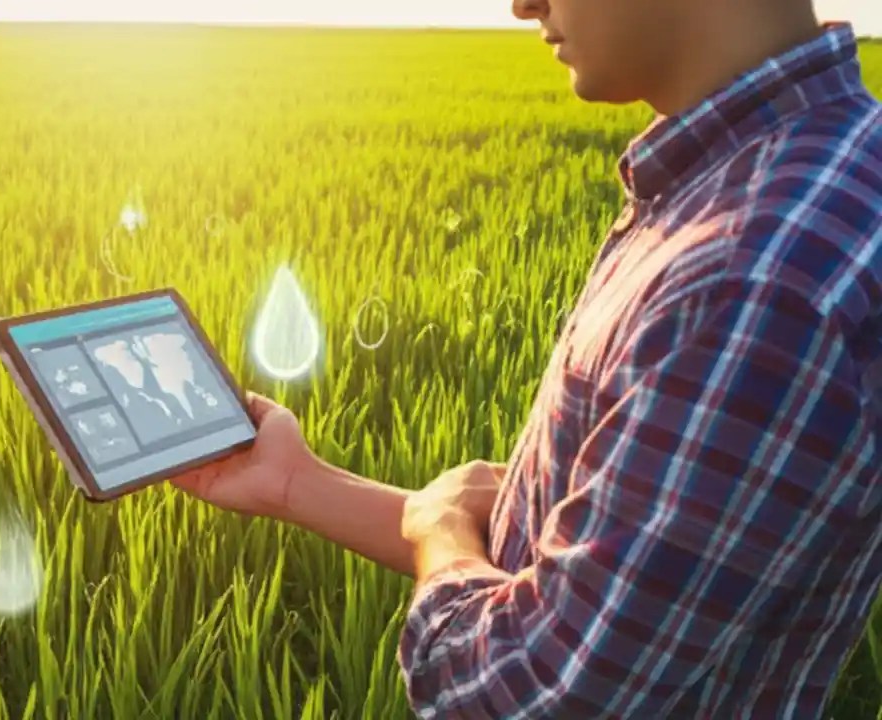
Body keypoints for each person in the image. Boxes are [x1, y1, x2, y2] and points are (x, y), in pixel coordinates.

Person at [168, 0, 882, 717]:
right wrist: (295, 482)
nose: (522, 5)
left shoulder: (753, 276)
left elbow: (525, 694)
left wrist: (443, 530)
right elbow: (581, 559)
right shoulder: (789, 178)